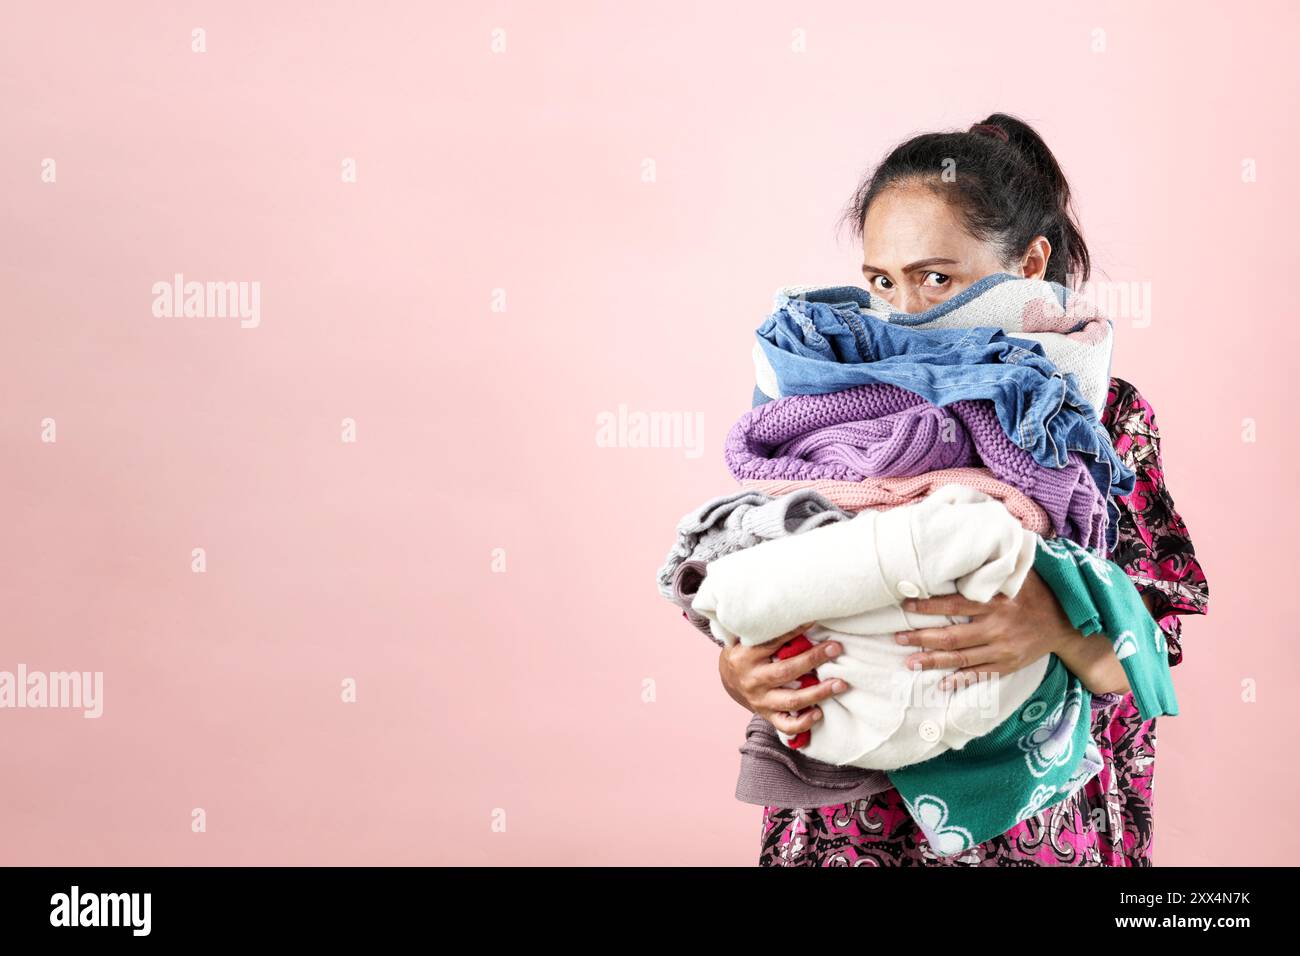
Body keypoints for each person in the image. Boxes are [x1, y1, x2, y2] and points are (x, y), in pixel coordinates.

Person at [717, 113, 1210, 866]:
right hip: (849, 825)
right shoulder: (836, 415)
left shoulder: (1096, 419)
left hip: (1031, 831)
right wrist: (743, 671)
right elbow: (761, 579)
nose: (907, 312)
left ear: (1030, 264)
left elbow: (1149, 651)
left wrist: (1056, 624)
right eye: (883, 281)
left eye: (938, 278)